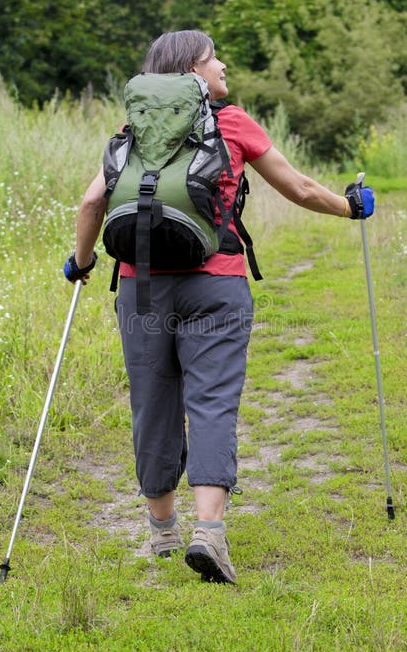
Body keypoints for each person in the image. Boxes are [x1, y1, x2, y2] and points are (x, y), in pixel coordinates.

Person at [64, 29, 374, 586]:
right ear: (192, 69)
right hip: (217, 285)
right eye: (214, 58)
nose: (223, 64)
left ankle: (162, 532)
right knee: (211, 402)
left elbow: (93, 200)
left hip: (141, 287)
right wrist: (349, 207)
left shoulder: (133, 128)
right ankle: (209, 533)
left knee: (151, 402)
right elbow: (299, 188)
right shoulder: (230, 122)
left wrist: (81, 263)